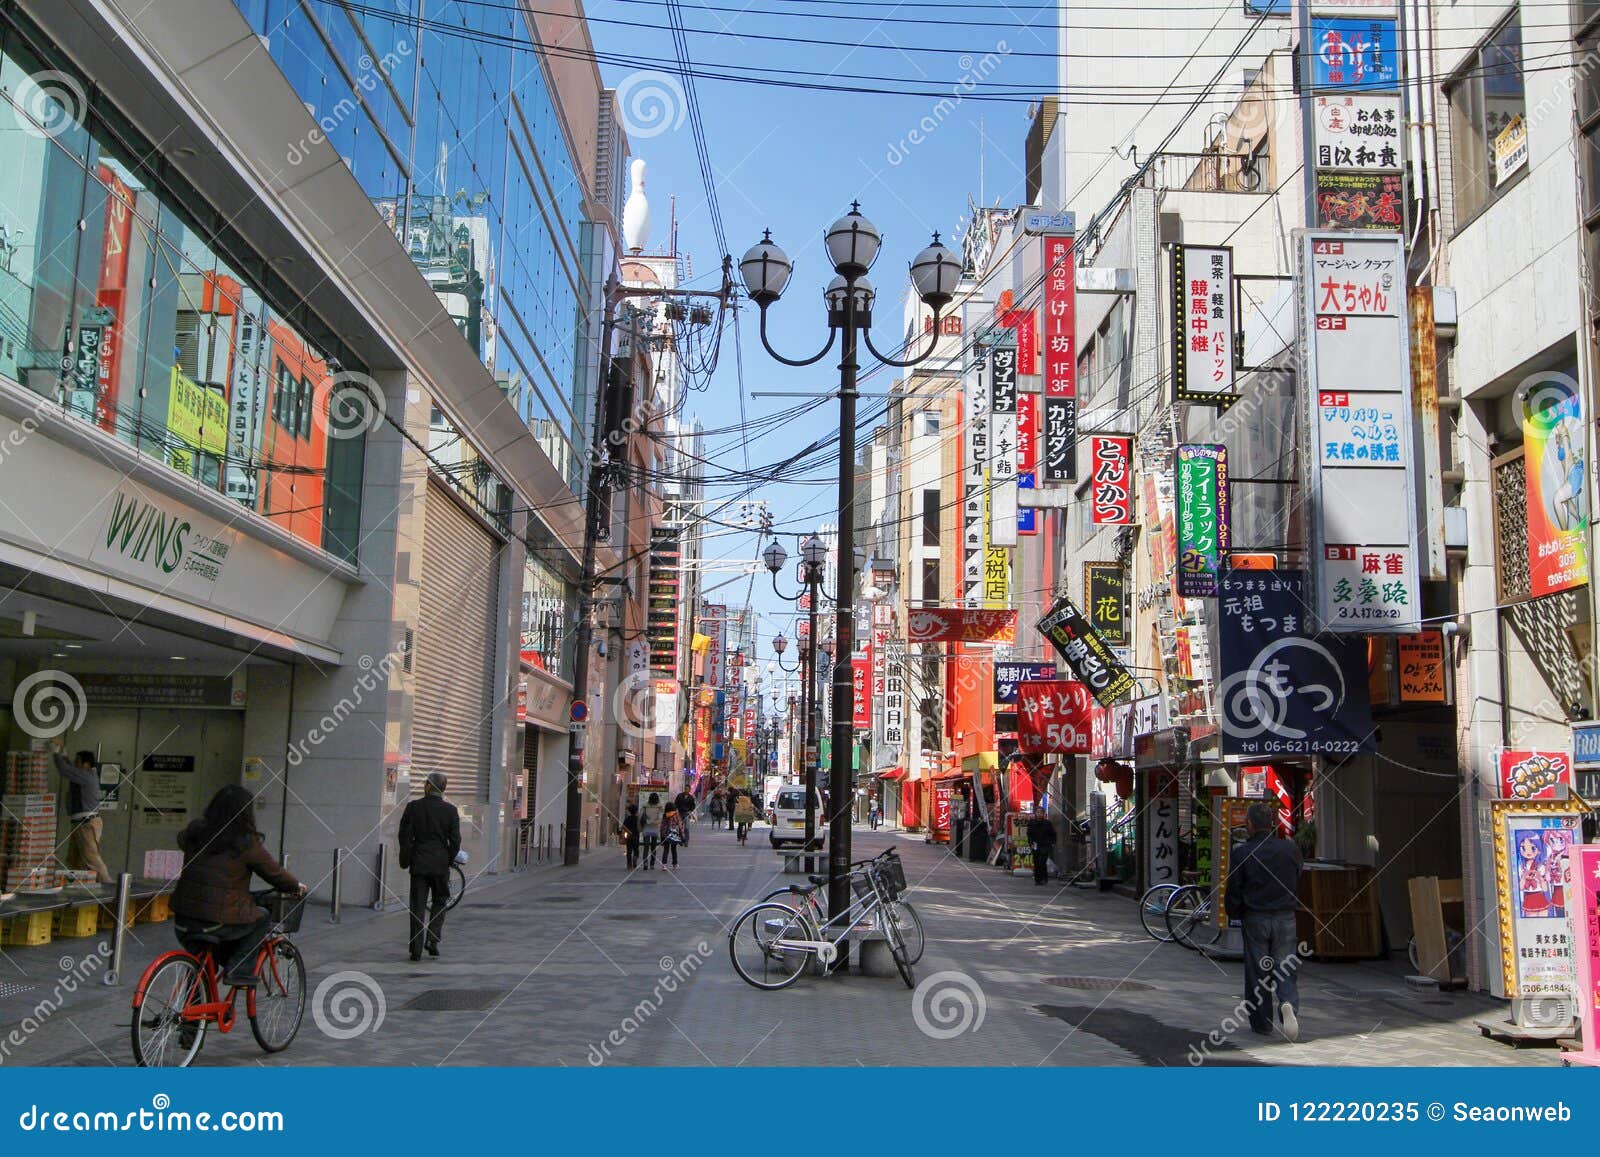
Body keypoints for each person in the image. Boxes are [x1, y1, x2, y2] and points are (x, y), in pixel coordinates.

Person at [172, 785, 305, 986]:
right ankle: (240, 970)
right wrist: (295, 886)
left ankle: (192, 1011)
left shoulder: (195, 835)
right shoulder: (245, 843)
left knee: (201, 961)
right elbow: (275, 874)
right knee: (262, 918)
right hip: (216, 922)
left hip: (182, 920)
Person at [1224, 802, 1304, 1041]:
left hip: (1255, 916)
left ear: (1249, 824)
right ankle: (1288, 1003)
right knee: (1285, 966)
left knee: (1258, 970)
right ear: (1272, 824)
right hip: (1285, 915)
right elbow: (1297, 876)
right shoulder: (1290, 850)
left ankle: (1262, 1022)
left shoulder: (1242, 852)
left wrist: (1234, 912)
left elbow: (1234, 888)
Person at [398, 771, 461, 961]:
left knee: (417, 905)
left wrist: (407, 857)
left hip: (419, 863)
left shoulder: (413, 807)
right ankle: (432, 940)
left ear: (428, 786)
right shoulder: (450, 811)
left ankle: (415, 949)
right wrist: (449, 858)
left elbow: (404, 835)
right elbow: (456, 841)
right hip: (440, 864)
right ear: (442, 789)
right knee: (440, 900)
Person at [51, 740, 111, 883]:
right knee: (74, 859)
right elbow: (70, 768)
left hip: (86, 823)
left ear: (86, 764)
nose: (75, 764)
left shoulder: (87, 776)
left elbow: (66, 770)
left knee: (92, 860)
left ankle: (108, 887)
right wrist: (63, 752)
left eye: (77, 761)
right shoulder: (84, 775)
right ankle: (75, 887)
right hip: (80, 823)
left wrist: (55, 752)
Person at [1026, 808, 1057, 885]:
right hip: (1035, 845)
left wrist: (1052, 843)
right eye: (1038, 812)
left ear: (1044, 814)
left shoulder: (1047, 823)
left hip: (1045, 845)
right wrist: (1030, 843)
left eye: (1041, 812)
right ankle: (1038, 880)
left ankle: (1044, 878)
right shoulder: (1032, 823)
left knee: (1042, 861)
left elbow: (1053, 834)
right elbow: (1029, 834)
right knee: (1036, 862)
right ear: (1035, 813)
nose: (1039, 814)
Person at [640, 792, 665, 870]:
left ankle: (645, 863)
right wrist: (653, 822)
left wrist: (647, 821)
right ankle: (652, 864)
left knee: (646, 846)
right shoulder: (660, 806)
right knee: (653, 847)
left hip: (646, 827)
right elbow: (660, 818)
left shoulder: (645, 805)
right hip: (655, 827)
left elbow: (641, 815)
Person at [661, 804, 686, 869]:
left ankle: (664, 865)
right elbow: (680, 825)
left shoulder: (665, 815)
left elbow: (662, 826)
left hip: (666, 834)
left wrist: (662, 835)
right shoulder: (676, 814)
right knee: (674, 849)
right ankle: (674, 864)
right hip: (674, 834)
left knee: (666, 849)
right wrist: (683, 836)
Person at [620, 804, 642, 870]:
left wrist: (628, 831)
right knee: (636, 850)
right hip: (636, 836)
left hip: (629, 837)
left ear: (629, 811)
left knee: (629, 851)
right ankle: (635, 858)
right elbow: (640, 828)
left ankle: (629, 865)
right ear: (637, 811)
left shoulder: (627, 818)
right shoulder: (638, 819)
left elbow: (623, 827)